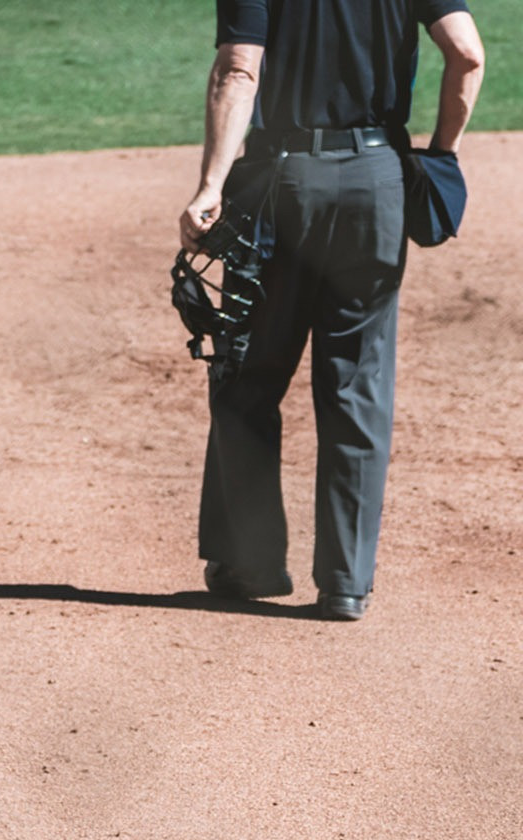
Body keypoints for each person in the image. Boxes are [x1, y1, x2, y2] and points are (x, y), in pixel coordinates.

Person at [180, 0, 484, 621]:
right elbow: (468, 52)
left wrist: (211, 184)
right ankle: (346, 582)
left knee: (249, 372)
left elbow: (240, 68)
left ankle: (252, 561)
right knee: (356, 383)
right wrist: (441, 153)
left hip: (278, 186)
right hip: (377, 182)